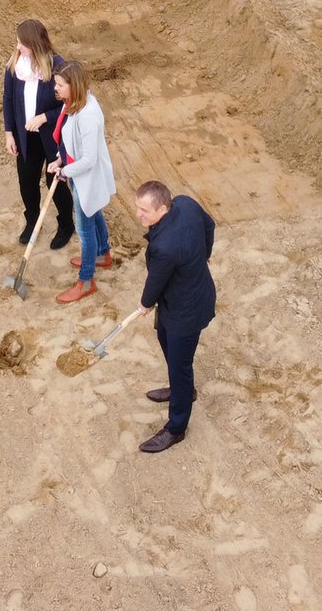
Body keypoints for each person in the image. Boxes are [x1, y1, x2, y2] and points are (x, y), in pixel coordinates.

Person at [133, 180, 216, 453]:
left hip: (187, 309)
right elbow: (210, 226)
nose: (139, 215)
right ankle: (182, 389)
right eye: (138, 208)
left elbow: (155, 281)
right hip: (175, 301)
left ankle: (177, 426)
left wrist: (145, 303)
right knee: (163, 337)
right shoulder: (186, 203)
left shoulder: (164, 246)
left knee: (181, 365)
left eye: (144, 211)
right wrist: (203, 255)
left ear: (163, 208)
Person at [1, 19, 73, 249]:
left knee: (56, 181)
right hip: (26, 136)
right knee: (27, 181)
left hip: (52, 137)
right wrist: (9, 133)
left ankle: (66, 224)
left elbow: (69, 104)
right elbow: (8, 99)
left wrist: (44, 118)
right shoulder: (15, 65)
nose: (18, 47)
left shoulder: (57, 66)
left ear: (35, 45)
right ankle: (32, 221)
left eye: (22, 43)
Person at [49, 60, 115, 304]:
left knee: (85, 231)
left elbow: (88, 159)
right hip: (76, 172)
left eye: (60, 85)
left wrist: (65, 170)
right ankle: (103, 255)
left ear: (73, 86)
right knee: (94, 212)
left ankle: (86, 280)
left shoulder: (88, 115)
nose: (56, 88)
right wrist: (59, 159)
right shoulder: (73, 104)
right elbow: (69, 141)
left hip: (86, 178)